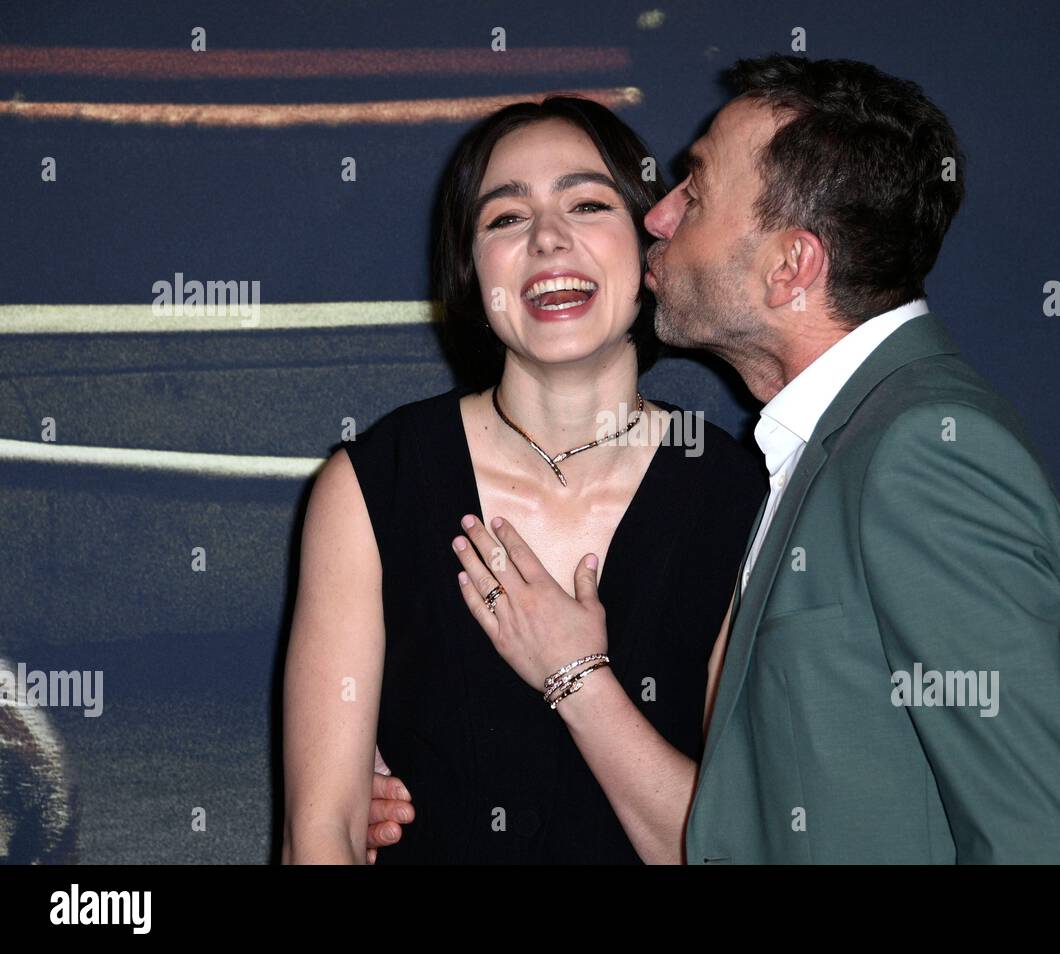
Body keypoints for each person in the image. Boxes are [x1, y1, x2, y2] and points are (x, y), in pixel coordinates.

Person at [371, 55, 1060, 864]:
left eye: (696, 189)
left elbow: (1040, 840)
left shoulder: (921, 458)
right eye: (503, 218)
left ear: (791, 266)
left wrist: (575, 674)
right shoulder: (828, 450)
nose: (660, 216)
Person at [281, 95, 768, 863]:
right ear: (471, 272)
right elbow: (322, 835)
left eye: (587, 203)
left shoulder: (737, 495)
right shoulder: (375, 485)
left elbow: (734, 848)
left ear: (652, 247)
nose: (548, 238)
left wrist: (575, 676)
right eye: (505, 218)